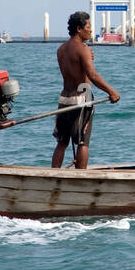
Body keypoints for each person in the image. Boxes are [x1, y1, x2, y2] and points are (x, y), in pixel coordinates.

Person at [52, 11, 120, 169]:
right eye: (88, 26)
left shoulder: (61, 50)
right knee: (83, 142)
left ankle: (53, 175)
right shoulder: (83, 49)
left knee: (62, 142)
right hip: (82, 97)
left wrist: (86, 57)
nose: (91, 30)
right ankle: (81, 177)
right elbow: (92, 75)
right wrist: (111, 91)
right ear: (79, 29)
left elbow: (74, 66)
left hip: (64, 99)